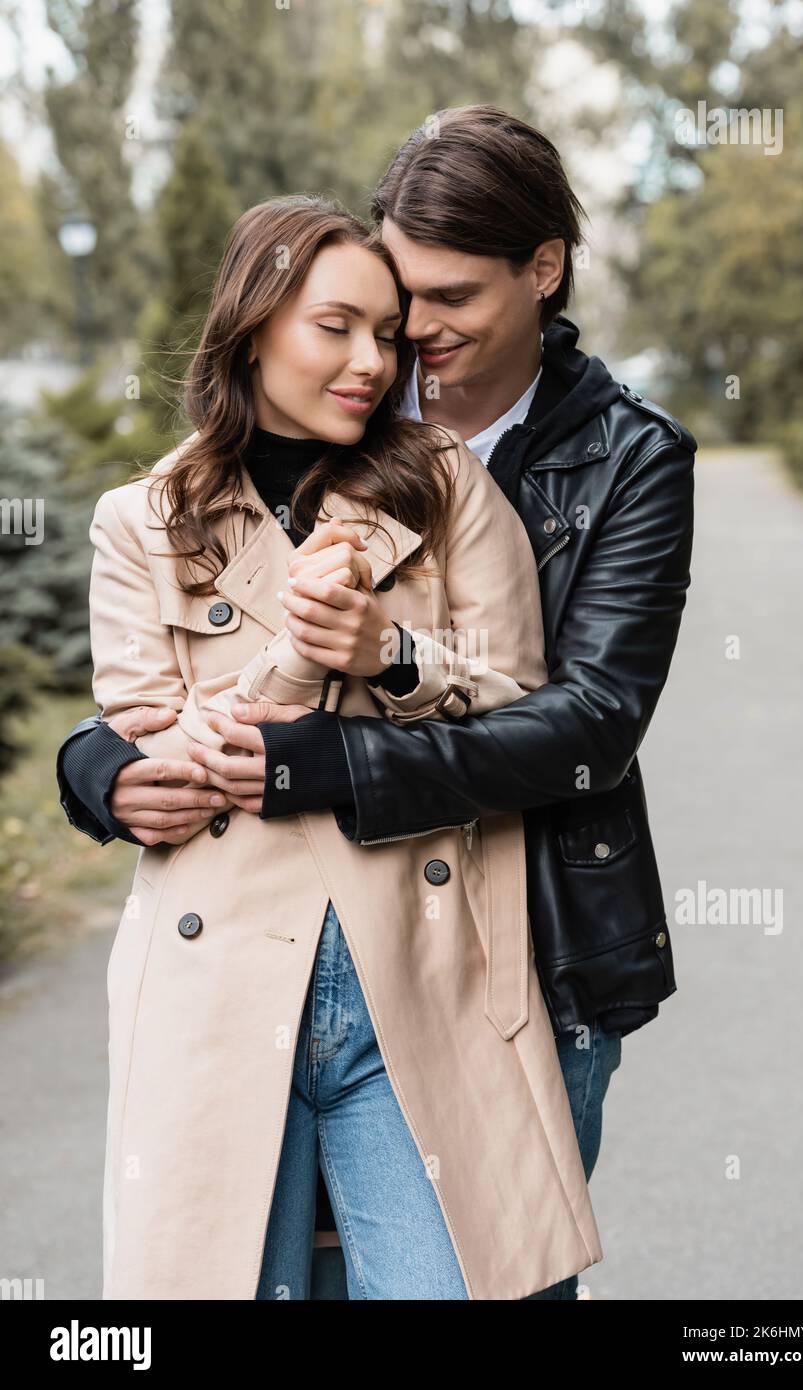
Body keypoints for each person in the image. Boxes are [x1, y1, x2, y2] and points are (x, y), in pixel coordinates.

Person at [58, 105, 696, 1300]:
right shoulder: (172, 500)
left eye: (432, 308)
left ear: (542, 272)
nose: (400, 349)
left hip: (512, 938)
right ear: (260, 332)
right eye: (369, 314)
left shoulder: (611, 459)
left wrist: (352, 717)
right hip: (240, 955)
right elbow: (148, 708)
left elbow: (585, 720)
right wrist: (96, 769)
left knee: (478, 1274)